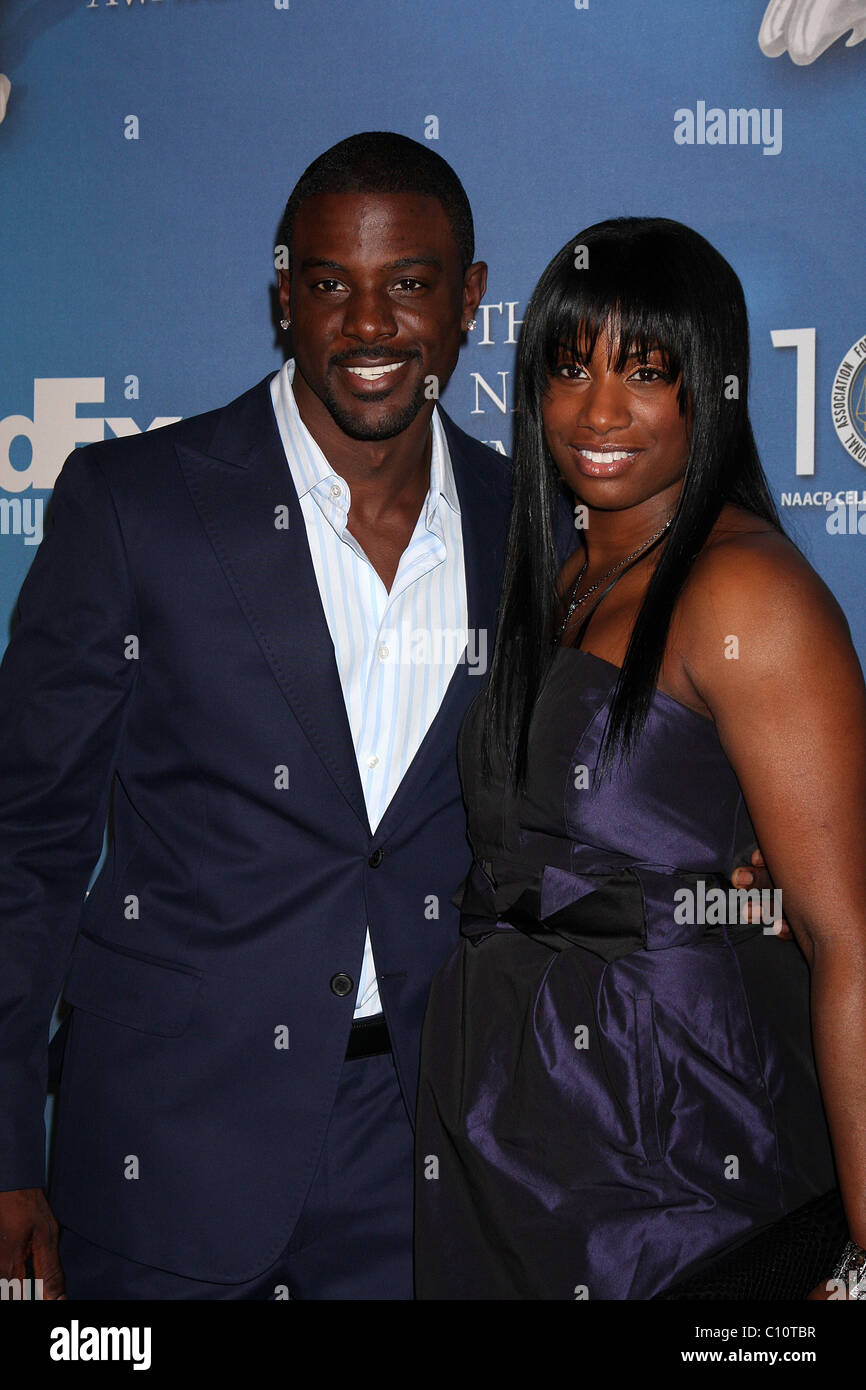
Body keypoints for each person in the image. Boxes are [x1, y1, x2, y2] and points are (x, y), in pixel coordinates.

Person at [0, 139, 776, 1302]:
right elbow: (26, 847)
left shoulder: (542, 532)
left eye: (408, 284)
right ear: (284, 296)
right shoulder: (134, 508)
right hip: (166, 1150)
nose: (367, 324)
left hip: (440, 1149)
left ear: (469, 299)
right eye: (327, 284)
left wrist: (734, 857)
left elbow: (620, 774)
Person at [414, 217, 866, 1301]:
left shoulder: (743, 594)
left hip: (682, 1152)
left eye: (646, 372)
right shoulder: (555, 582)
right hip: (515, 1139)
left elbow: (844, 935)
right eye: (569, 368)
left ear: (708, 389)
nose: (598, 411)